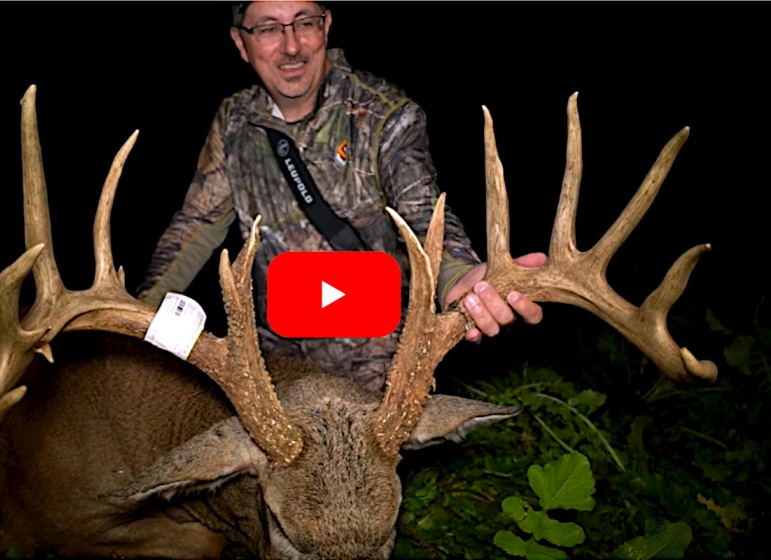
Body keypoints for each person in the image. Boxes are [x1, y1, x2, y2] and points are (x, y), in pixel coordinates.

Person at [138, 0, 545, 391]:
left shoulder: (385, 114)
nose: (292, 46)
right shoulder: (234, 120)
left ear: (326, 25)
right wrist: (140, 314)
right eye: (267, 29)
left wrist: (459, 278)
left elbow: (423, 211)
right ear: (241, 43)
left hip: (378, 367)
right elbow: (198, 222)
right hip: (272, 368)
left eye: (305, 22)